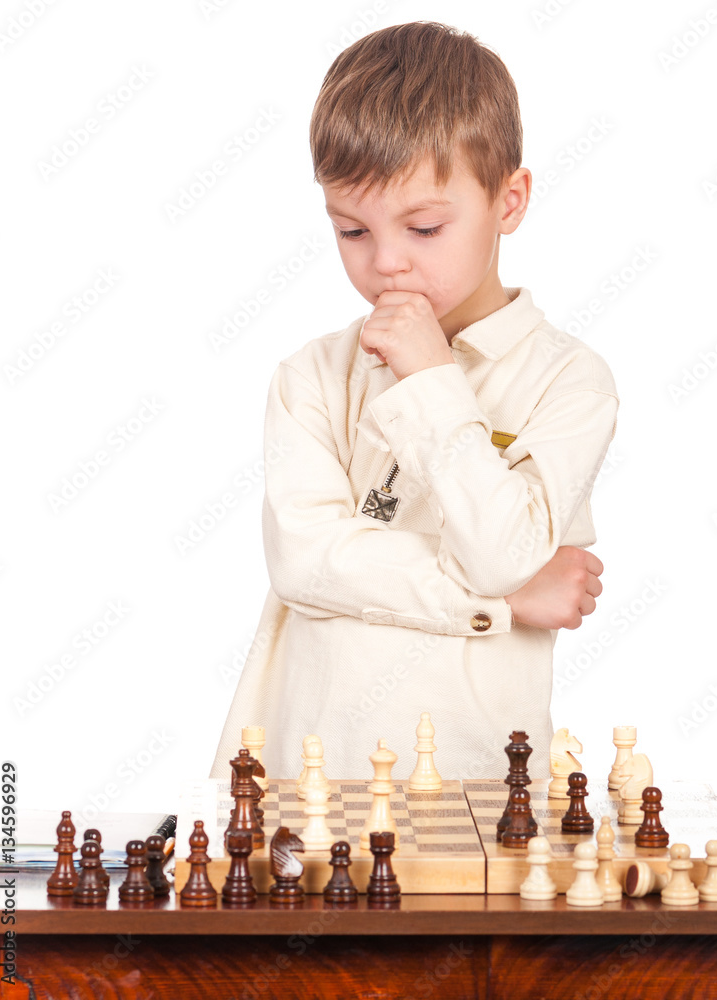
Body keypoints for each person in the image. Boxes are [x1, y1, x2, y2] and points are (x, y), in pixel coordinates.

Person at [210, 21, 618, 782]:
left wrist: (432, 382)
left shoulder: (571, 382)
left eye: (424, 226)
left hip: (474, 782)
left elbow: (501, 551)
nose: (385, 261)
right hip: (305, 779)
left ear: (509, 199)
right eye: (351, 229)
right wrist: (501, 603)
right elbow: (305, 562)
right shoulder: (311, 376)